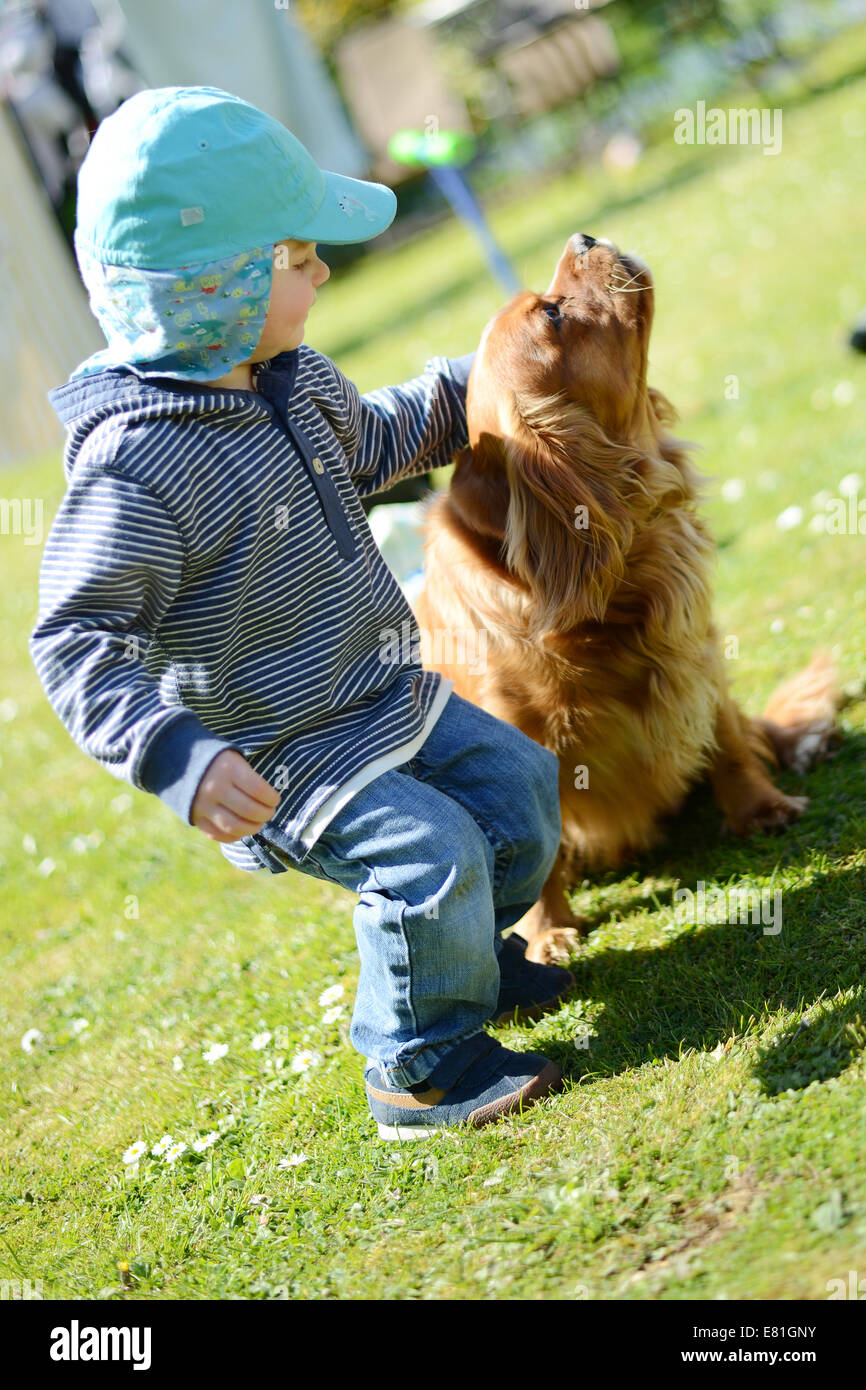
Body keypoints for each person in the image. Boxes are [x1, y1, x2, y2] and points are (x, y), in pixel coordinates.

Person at [30, 86, 572, 1138]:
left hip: (380, 697)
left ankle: (463, 967)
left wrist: (484, 381)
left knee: (519, 798)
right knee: (433, 856)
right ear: (214, 291)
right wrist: (174, 757)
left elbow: (373, 443)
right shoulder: (137, 468)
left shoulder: (286, 378)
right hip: (283, 755)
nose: (322, 270)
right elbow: (77, 638)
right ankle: (417, 1066)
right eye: (297, 256)